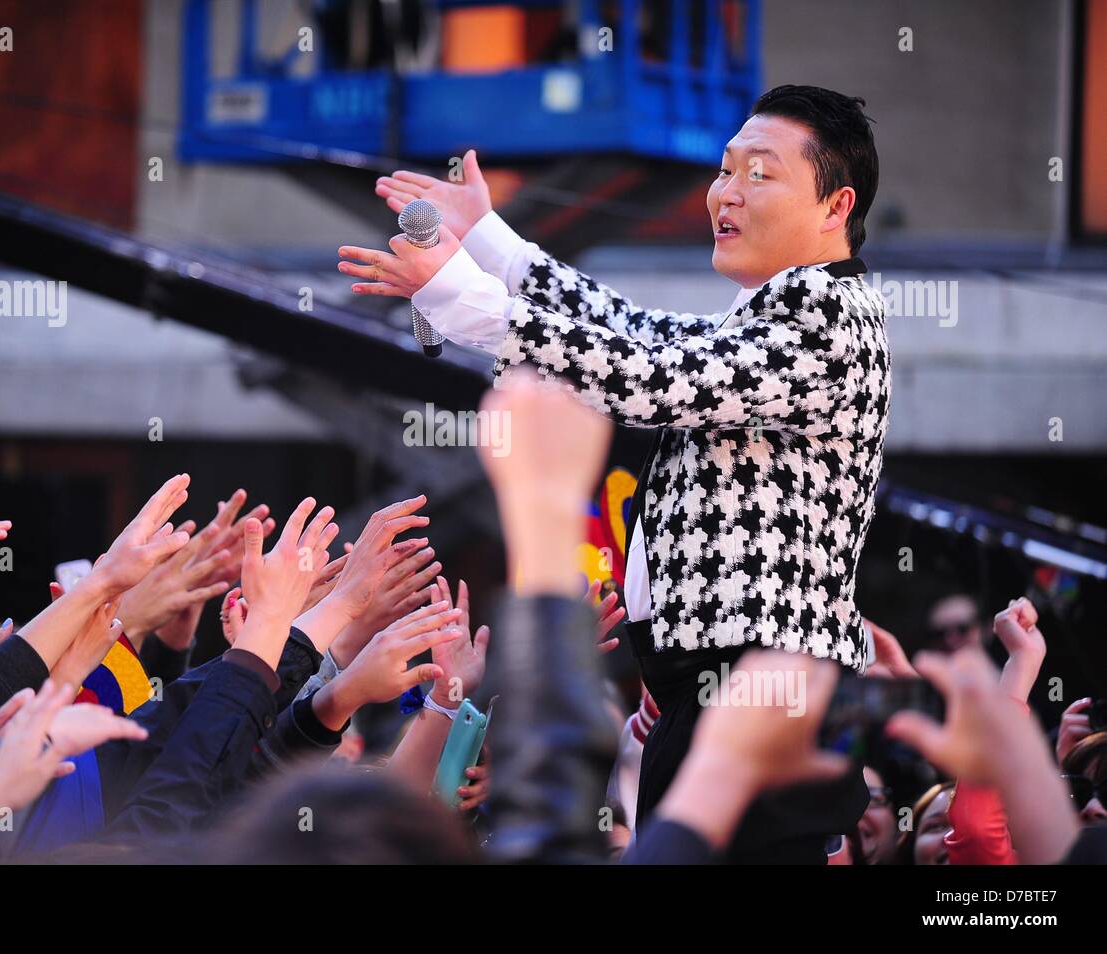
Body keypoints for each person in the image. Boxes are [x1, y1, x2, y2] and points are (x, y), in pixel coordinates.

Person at [342, 83, 888, 859]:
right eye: (725, 170)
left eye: (758, 174)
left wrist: (459, 295)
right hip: (722, 692)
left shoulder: (825, 312)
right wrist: (488, 242)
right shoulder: (787, 303)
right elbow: (639, 334)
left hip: (758, 694)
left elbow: (654, 376)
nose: (724, 193)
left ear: (836, 205)